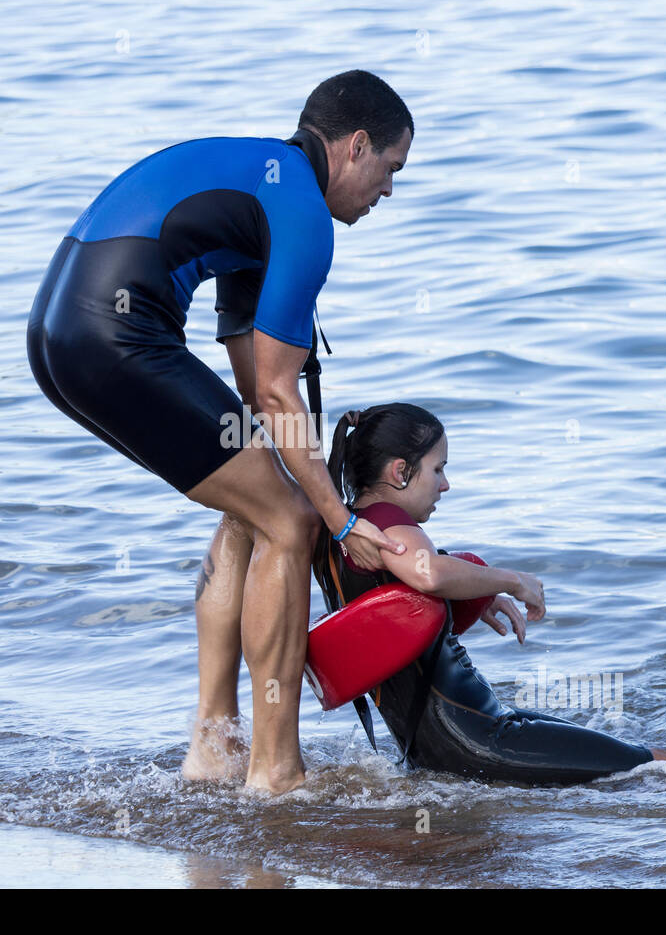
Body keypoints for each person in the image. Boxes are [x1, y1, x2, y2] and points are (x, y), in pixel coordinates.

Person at [26, 71, 414, 794]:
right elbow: (274, 388)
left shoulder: (265, 193)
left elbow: (252, 393)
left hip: (56, 332)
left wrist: (298, 479)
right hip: (112, 333)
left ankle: (215, 744)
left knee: (255, 500)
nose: (387, 191)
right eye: (390, 169)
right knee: (290, 519)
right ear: (356, 147)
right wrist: (339, 518)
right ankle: (275, 769)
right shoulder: (303, 213)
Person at [311, 403, 666, 785]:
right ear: (400, 472)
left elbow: (390, 611)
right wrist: (513, 580)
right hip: (480, 738)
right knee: (652, 766)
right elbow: (430, 574)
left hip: (437, 744)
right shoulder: (386, 524)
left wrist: (469, 595)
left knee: (627, 755)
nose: (446, 484)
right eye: (438, 469)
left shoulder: (345, 538)